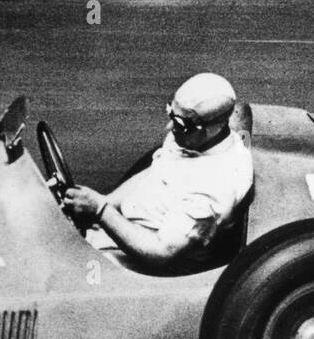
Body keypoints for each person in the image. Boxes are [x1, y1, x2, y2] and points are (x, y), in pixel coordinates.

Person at [62, 73, 254, 273]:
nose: (169, 128)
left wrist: (100, 211)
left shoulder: (216, 186)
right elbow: (155, 172)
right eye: (170, 113)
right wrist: (107, 201)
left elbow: (161, 252)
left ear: (214, 128)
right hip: (120, 234)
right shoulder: (192, 136)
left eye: (179, 125)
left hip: (148, 263)